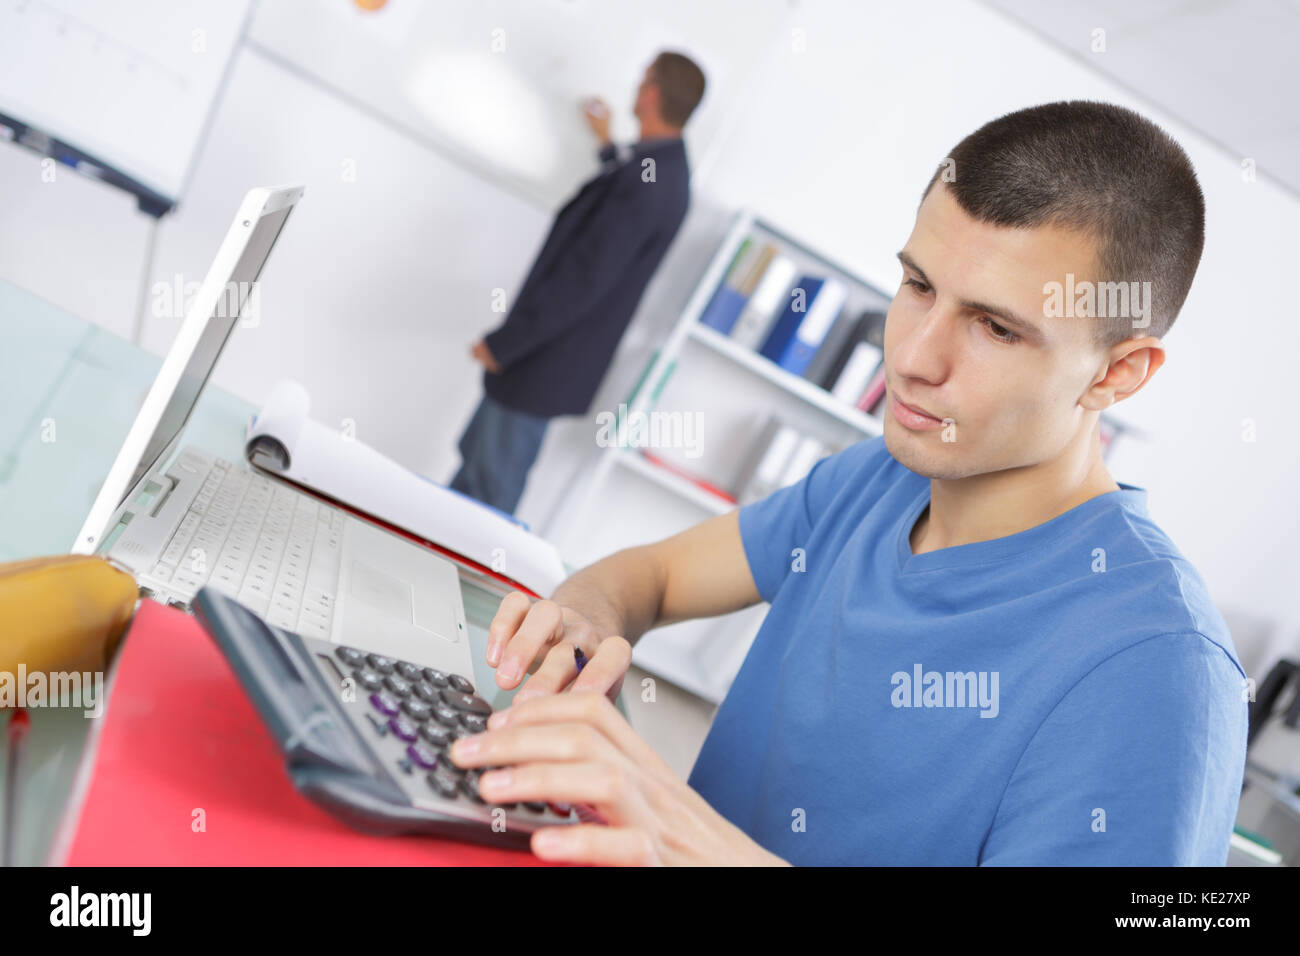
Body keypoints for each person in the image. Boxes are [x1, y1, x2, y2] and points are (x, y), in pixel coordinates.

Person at [447, 101, 1248, 866]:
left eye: (996, 328)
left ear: (1117, 373)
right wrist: (583, 620)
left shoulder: (1159, 670)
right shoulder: (884, 475)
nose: (911, 359)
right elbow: (652, 575)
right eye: (918, 286)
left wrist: (696, 840)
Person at [449, 51, 705, 515]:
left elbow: (583, 279)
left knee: (486, 491)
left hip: (541, 358)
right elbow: (621, 206)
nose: (636, 86)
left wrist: (506, 345)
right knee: (475, 472)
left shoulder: (652, 181)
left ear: (650, 94)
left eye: (642, 78)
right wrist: (608, 145)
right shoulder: (661, 168)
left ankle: (470, 583)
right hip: (548, 357)